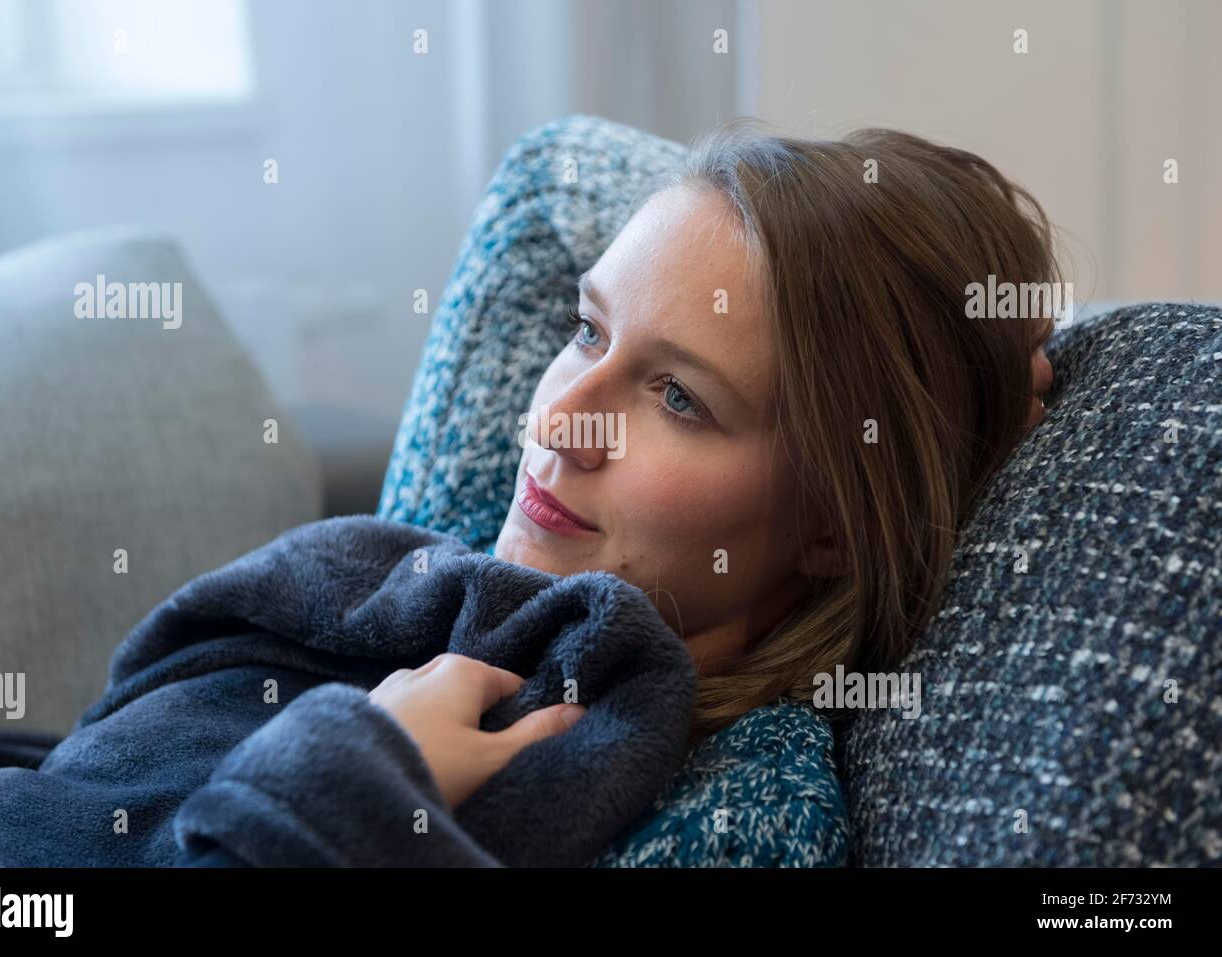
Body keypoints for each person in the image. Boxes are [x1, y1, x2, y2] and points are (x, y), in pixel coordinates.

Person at [374, 119, 1059, 812]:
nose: (554, 424)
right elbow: (545, 176)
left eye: (679, 397)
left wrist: (360, 794)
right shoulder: (448, 577)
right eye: (589, 330)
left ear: (833, 530)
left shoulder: (740, 815)